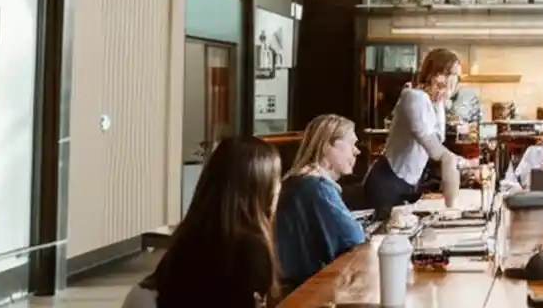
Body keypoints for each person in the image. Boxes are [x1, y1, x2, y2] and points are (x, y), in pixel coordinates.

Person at [122, 137, 281, 308]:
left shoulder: (191, 235)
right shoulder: (249, 249)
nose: (280, 187)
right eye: (276, 179)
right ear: (259, 188)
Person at [363, 48, 474, 218]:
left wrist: (440, 102)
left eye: (457, 77)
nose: (456, 82)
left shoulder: (431, 102)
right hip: (387, 182)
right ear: (438, 73)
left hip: (406, 184)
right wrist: (452, 209)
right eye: (454, 75)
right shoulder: (413, 97)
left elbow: (439, 138)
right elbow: (438, 152)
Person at [273, 114, 368, 290]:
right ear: (326, 146)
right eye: (351, 143)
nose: (357, 151)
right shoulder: (317, 187)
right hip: (304, 290)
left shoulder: (298, 180)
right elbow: (355, 240)